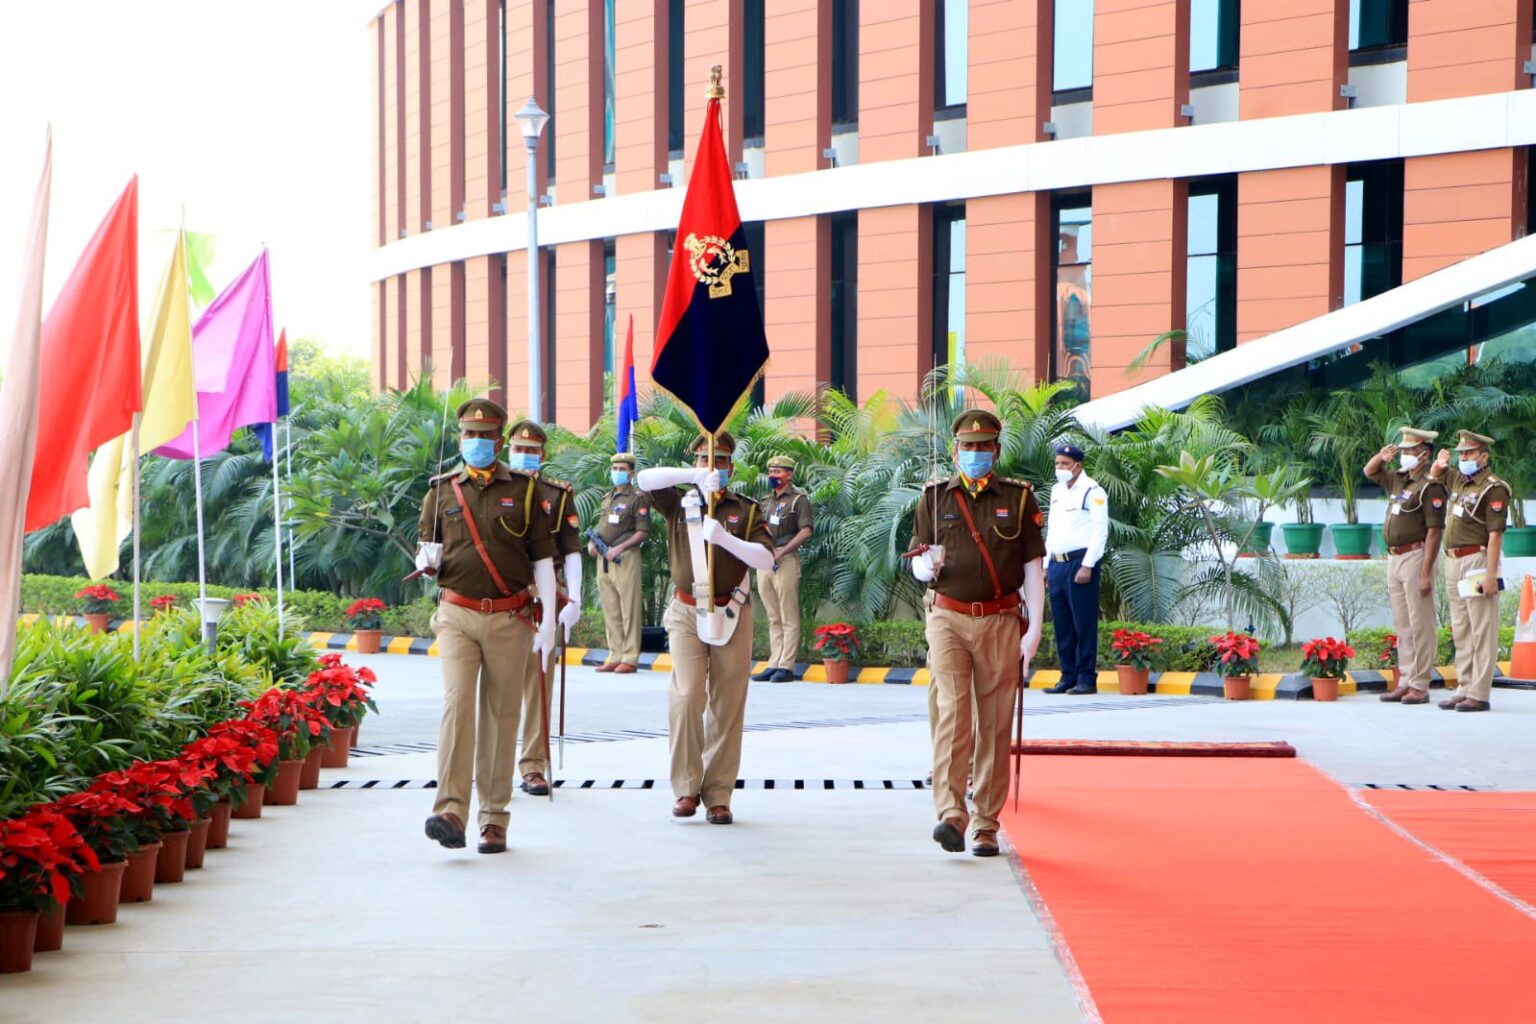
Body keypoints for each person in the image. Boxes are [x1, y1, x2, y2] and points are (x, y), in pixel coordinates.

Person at [415, 399, 558, 854]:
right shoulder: (439, 491)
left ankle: (493, 818)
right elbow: (427, 550)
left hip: (510, 616)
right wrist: (425, 562)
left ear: (500, 440)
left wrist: (551, 623)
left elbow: (542, 562)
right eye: (468, 435)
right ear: (459, 438)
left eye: (485, 436)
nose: (476, 443)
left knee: (500, 715)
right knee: (458, 704)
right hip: (456, 613)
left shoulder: (526, 492)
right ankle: (451, 809)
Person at [911, 409, 1045, 857]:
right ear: (953, 451)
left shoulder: (1020, 499)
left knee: (994, 720)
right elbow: (916, 561)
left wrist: (1035, 631)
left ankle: (986, 821)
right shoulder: (933, 498)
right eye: (967, 447)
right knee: (953, 712)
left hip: (1001, 619)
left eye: (983, 446)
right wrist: (922, 566)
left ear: (996, 451)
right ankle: (952, 813)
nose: (974, 453)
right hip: (947, 615)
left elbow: (1032, 569)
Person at [637, 432, 775, 825]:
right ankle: (685, 786)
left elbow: (766, 559)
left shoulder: (746, 510)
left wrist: (726, 539)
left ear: (732, 466)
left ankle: (718, 794)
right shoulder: (681, 500)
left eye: (721, 461)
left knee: (727, 703)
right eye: (705, 460)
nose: (714, 467)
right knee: (686, 696)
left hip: (731, 609)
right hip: (685, 610)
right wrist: (692, 476)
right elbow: (645, 479)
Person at [503, 419, 583, 797]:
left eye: (532, 451)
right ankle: (493, 761)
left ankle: (533, 765)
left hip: (541, 595)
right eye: (518, 450)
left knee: (539, 681)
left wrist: (576, 600)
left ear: (543, 456)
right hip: (501, 592)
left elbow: (571, 550)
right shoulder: (491, 491)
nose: (524, 456)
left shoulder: (556, 494)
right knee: (498, 684)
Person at [1427, 430, 1510, 713]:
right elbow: (1435, 477)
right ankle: (1464, 685)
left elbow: (1496, 535)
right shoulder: (1459, 481)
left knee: (1481, 627)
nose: (1463, 458)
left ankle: (1479, 692)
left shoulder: (1494, 487)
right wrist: (1438, 465)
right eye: (1461, 454)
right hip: (1453, 559)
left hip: (1477, 559)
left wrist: (1490, 573)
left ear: (1484, 457)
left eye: (1469, 454)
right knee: (1462, 628)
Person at [1365, 427, 1446, 705]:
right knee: (1403, 624)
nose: (1404, 455)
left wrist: (1426, 572)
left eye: (1410, 451)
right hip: (1394, 557)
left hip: (1415, 556)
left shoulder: (1430, 486)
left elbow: (1435, 532)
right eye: (1403, 450)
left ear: (1424, 455)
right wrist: (1381, 456)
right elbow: (1370, 472)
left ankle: (1420, 684)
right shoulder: (1398, 480)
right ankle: (1405, 679)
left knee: (1420, 623)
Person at [1042, 443, 1108, 695]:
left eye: (1065, 464)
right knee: (1062, 623)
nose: (1060, 468)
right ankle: (1067, 675)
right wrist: (1047, 565)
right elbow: (1053, 530)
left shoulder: (1093, 491)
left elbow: (1100, 531)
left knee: (1083, 622)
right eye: (1057, 463)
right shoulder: (1057, 491)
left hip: (1080, 563)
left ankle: (1086, 678)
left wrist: (1088, 565)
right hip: (1057, 563)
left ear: (1077, 466)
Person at [751, 455, 814, 683]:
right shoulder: (766, 501)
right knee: (772, 615)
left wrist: (783, 550)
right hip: (765, 560)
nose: (773, 476)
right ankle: (774, 662)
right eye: (771, 471)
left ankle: (786, 665)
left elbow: (806, 530)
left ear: (789, 474)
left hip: (785, 560)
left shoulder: (798, 500)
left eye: (778, 472)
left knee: (788, 614)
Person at [591, 452, 651, 674]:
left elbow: (642, 531)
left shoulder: (637, 497)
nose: (617, 472)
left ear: (631, 472)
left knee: (629, 608)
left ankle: (630, 656)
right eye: (614, 468)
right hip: (603, 558)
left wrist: (619, 548)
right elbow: (601, 525)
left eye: (622, 469)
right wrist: (593, 543)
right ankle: (614, 654)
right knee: (611, 608)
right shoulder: (608, 497)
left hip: (625, 557)